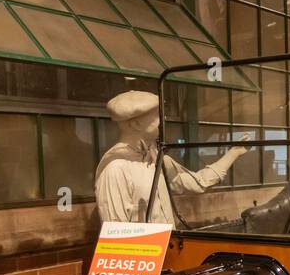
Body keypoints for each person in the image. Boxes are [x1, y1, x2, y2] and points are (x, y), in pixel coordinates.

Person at [95, 90, 248, 224]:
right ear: (137, 124)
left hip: (168, 252)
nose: (162, 122)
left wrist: (234, 152)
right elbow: (115, 238)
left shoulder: (155, 157)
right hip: (146, 256)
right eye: (157, 116)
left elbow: (198, 183)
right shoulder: (115, 169)